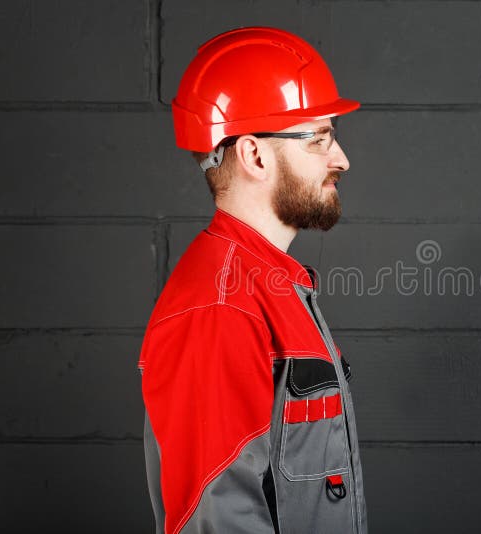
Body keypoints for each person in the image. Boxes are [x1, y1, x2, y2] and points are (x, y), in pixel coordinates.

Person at [138, 27, 367, 534]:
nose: (341, 159)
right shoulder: (220, 307)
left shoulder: (271, 283)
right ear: (254, 156)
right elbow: (220, 519)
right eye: (320, 140)